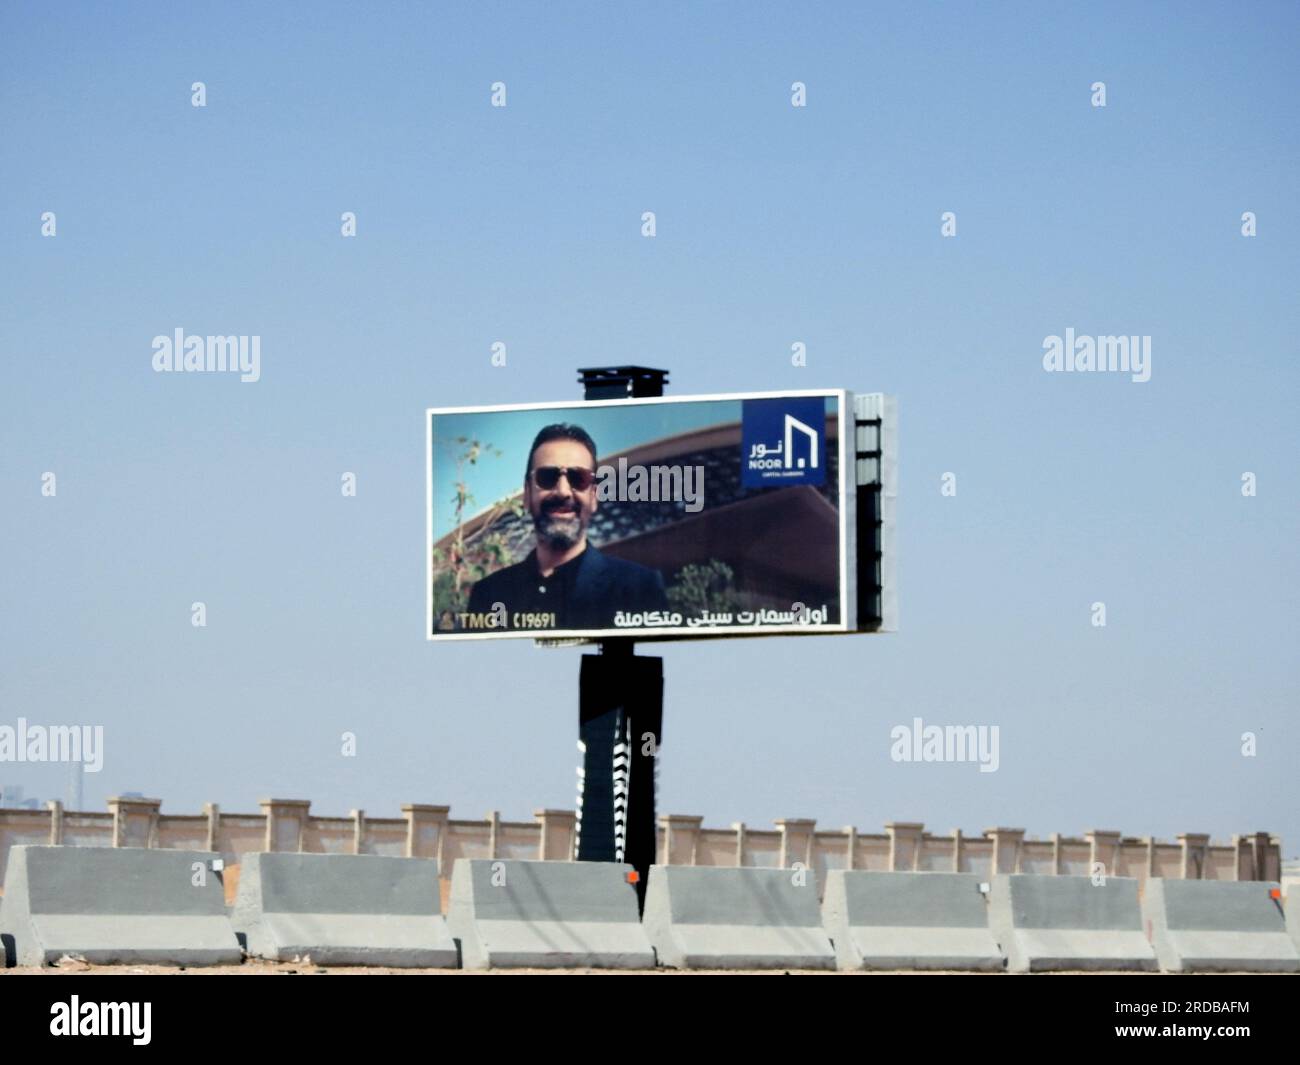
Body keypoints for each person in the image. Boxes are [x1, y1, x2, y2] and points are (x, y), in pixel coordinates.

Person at [465, 423, 668, 631]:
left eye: (578, 478)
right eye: (547, 477)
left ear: (594, 496)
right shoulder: (489, 594)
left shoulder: (639, 589)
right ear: (527, 494)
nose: (563, 491)